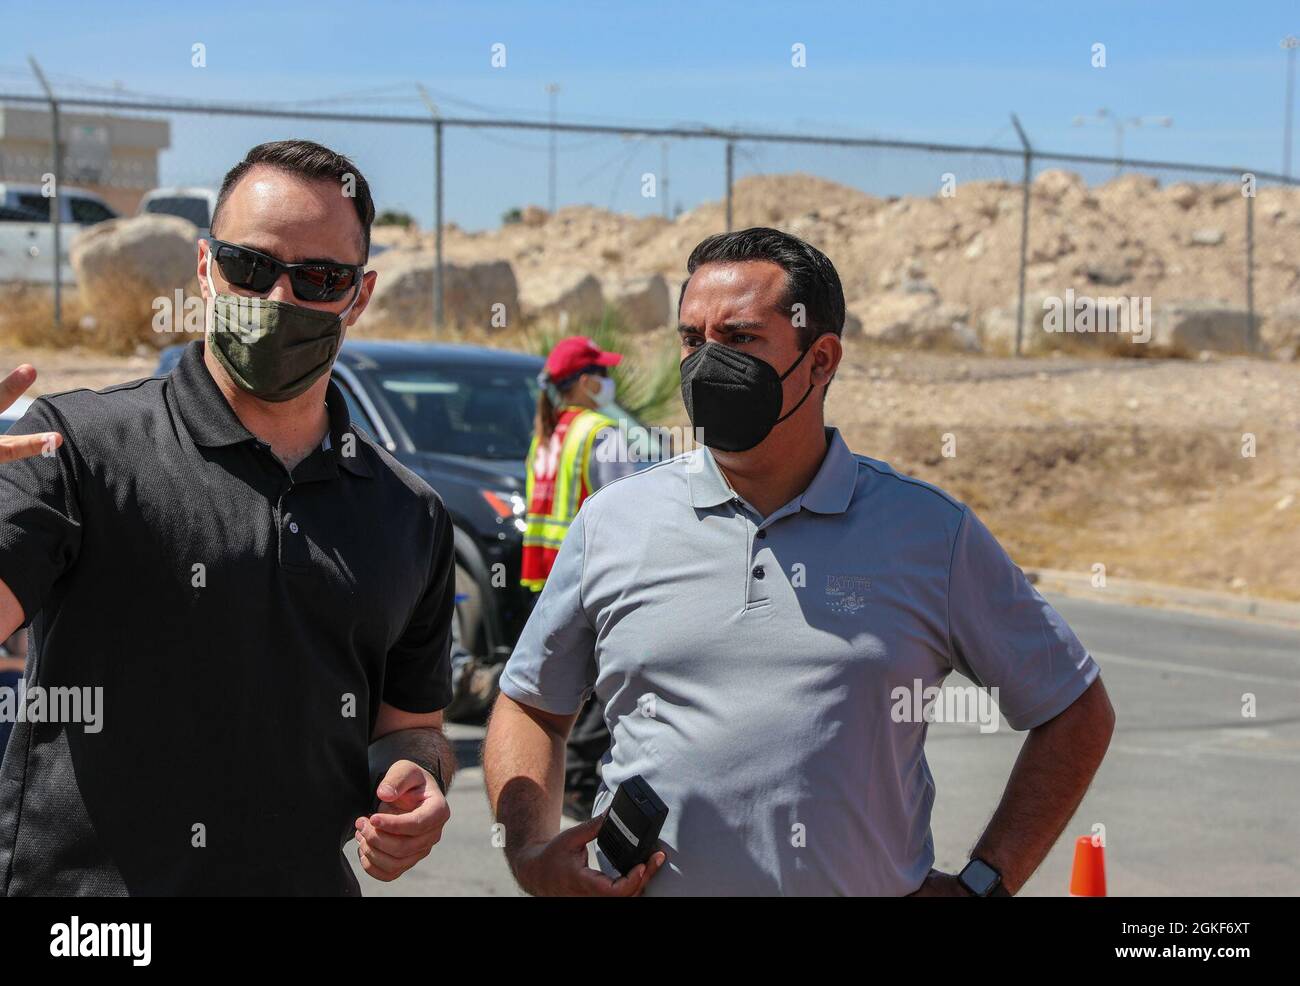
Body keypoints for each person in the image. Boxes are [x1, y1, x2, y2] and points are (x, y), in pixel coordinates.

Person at [483, 226, 1115, 897]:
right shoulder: (615, 520)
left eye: (740, 339)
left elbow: (1074, 710)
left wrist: (985, 882)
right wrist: (530, 852)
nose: (705, 363)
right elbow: (530, 706)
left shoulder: (929, 533)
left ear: (821, 360)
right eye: (693, 340)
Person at [0, 140, 456, 895]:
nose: (280, 300)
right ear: (206, 269)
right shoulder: (74, 445)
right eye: (251, 267)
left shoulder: (409, 512)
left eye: (318, 278)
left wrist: (418, 780)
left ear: (359, 295)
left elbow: (411, 725)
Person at [521, 336, 639, 819]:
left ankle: (566, 778)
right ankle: (578, 781)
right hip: (598, 575)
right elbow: (628, 504)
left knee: (562, 682)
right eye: (603, 373)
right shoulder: (599, 432)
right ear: (587, 381)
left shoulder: (549, 432)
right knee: (598, 685)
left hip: (547, 578)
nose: (608, 382)